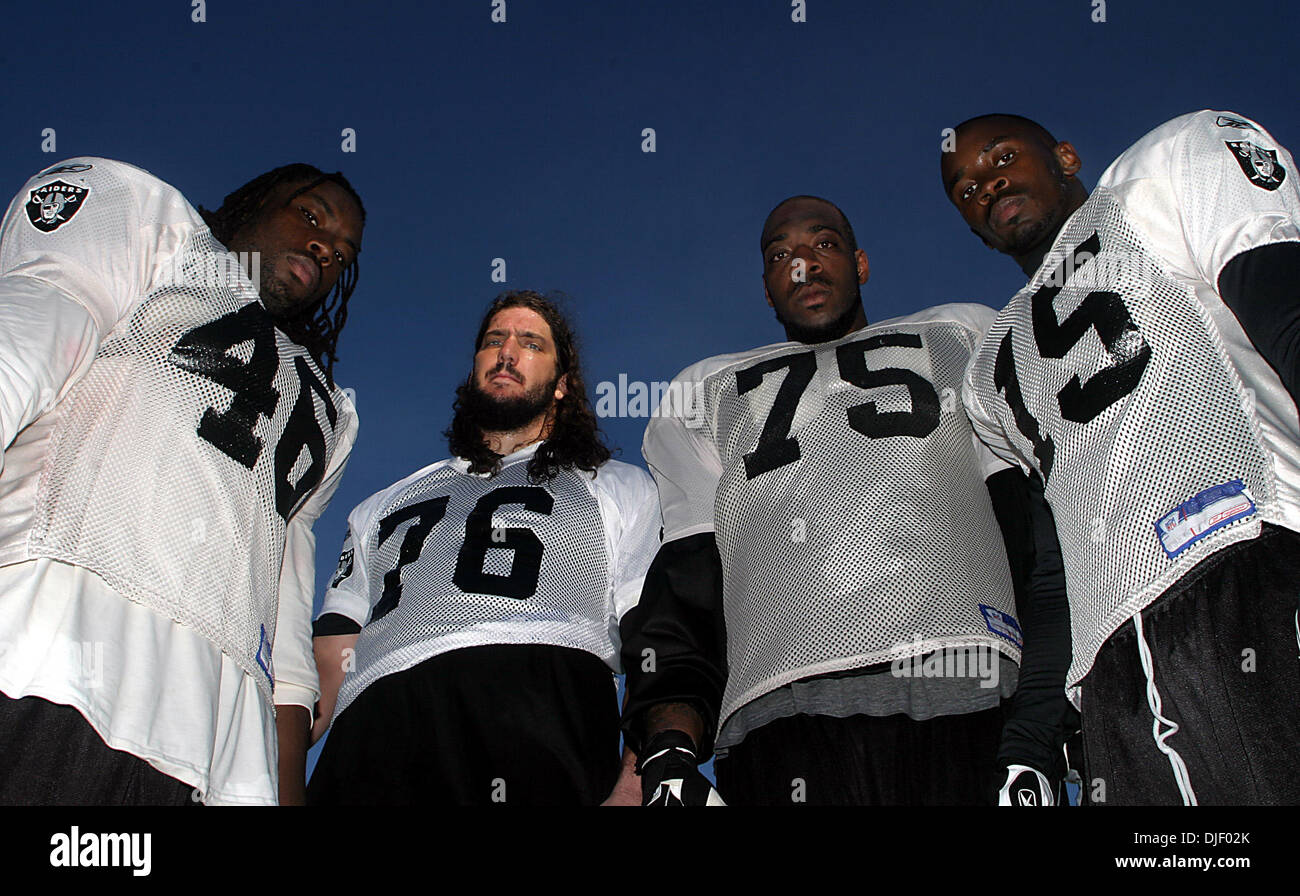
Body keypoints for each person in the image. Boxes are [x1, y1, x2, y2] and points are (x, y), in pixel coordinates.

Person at [617, 195, 1054, 806]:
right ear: (767, 290)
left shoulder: (961, 334)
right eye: (781, 255)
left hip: (970, 684)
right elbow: (685, 595)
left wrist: (1038, 721)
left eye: (823, 245)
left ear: (862, 263)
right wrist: (668, 747)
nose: (804, 266)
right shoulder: (704, 391)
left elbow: (1039, 545)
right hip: (780, 715)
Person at [942, 110, 1300, 804]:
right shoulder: (990, 370)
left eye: (1004, 157)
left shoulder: (1161, 174)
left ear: (1066, 156)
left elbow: (1287, 315)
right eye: (965, 190)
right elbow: (1052, 575)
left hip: (1255, 563)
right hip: (1112, 674)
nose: (987, 185)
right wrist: (1031, 741)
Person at [0, 157, 366, 805]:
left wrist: (281, 785)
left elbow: (283, 619)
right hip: (45, 665)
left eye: (341, 253)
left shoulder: (329, 407)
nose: (323, 248)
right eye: (310, 216)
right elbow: (24, 346)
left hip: (212, 754)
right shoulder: (152, 227)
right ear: (250, 203)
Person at [307, 290, 660, 805]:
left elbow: (655, 639)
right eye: (494, 340)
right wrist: (280, 751)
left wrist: (634, 781)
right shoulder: (379, 506)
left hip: (540, 728)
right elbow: (335, 647)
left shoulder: (618, 487)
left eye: (530, 343)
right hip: (371, 741)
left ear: (563, 384)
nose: (507, 352)